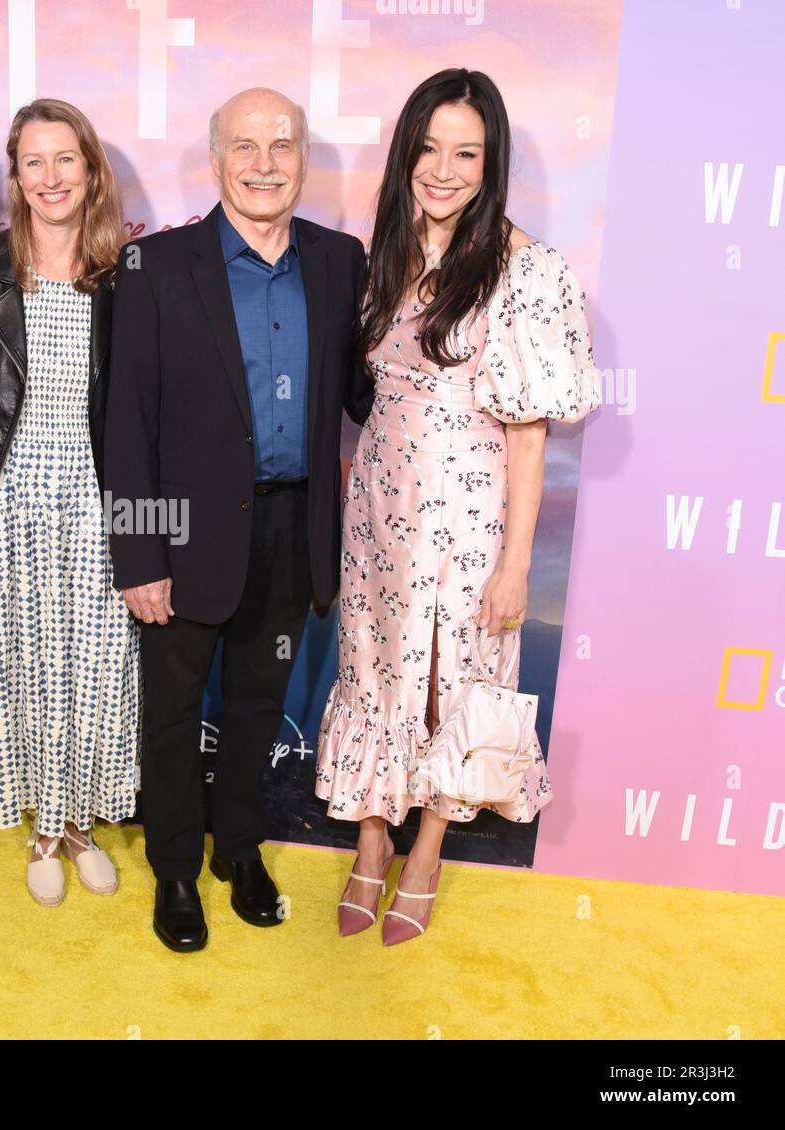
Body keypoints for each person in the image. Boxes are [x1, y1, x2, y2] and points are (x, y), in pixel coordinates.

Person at [314, 68, 601, 945]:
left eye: (466, 152)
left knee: (453, 683)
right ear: (406, 154)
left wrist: (515, 563)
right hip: (376, 517)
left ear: (491, 163)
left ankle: (428, 848)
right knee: (370, 671)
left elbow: (528, 436)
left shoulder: (529, 270)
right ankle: (371, 843)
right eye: (429, 148)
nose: (443, 169)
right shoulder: (389, 257)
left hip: (467, 525)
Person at [105, 87, 372, 952]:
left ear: (303, 162)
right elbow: (126, 421)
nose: (265, 163)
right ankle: (177, 870)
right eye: (246, 146)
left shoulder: (341, 262)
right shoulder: (159, 267)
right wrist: (139, 553)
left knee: (261, 701)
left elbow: (366, 392)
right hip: (180, 536)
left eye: (283, 146)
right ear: (216, 161)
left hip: (295, 529)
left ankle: (241, 849)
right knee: (175, 710)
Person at [0, 99, 139, 907]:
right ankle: (41, 828)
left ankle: (78, 822)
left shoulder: (125, 276)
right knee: (19, 658)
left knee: (89, 663)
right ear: (15, 176)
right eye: (35, 162)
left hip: (93, 504)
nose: (52, 177)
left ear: (91, 170)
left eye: (68, 160)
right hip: (5, 501)